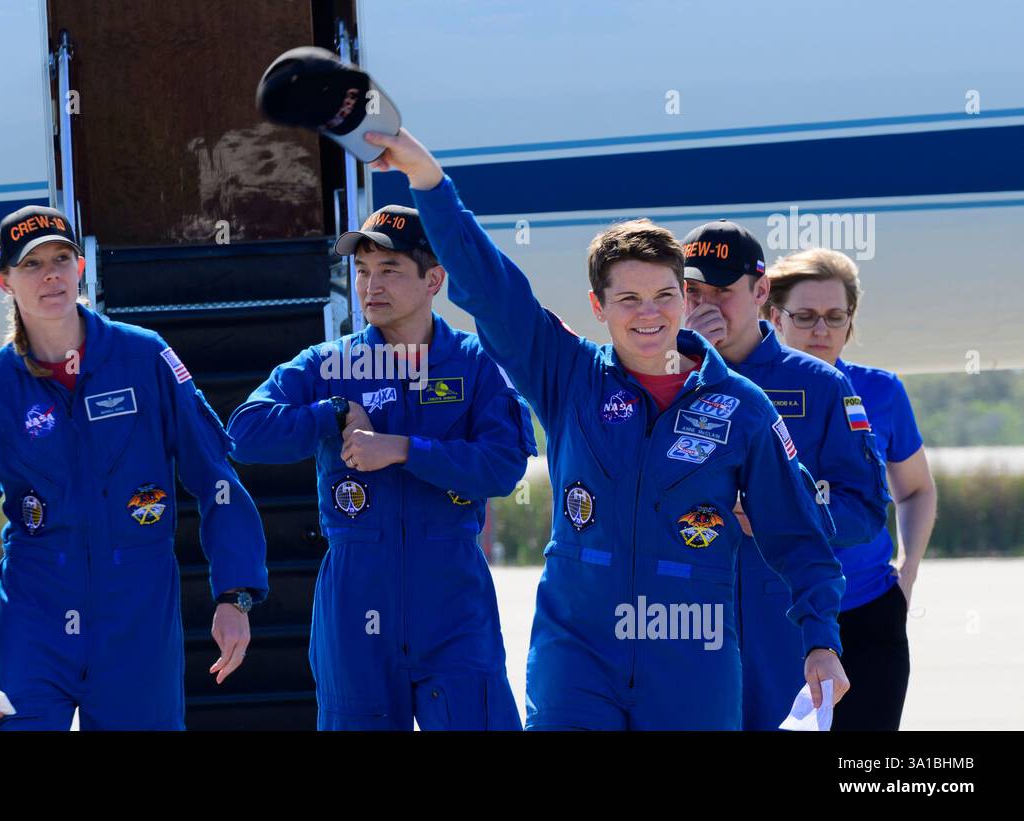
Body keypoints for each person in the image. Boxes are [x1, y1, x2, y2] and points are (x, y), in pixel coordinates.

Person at [360, 129, 849, 730]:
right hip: (578, 653)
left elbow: (800, 534)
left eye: (665, 295)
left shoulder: (741, 407)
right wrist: (430, 182)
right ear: (598, 306)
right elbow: (490, 289)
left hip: (691, 657)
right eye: (630, 299)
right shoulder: (568, 377)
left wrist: (821, 639)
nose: (650, 315)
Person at [0, 205, 268, 730]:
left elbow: (215, 477)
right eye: (32, 265)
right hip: (32, 622)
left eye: (62, 259)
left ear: (80, 268)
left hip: (136, 623)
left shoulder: (145, 360)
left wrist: (235, 593)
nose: (51, 275)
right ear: (5, 282)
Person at [227, 205, 536, 730]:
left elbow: (502, 467)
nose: (371, 285)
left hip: (452, 596)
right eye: (363, 271)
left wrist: (403, 450)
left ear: (434, 278)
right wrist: (334, 413)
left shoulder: (476, 363)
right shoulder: (329, 364)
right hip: (356, 594)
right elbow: (244, 432)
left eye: (390, 269)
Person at [681, 220, 892, 729]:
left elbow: (864, 510)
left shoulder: (818, 385)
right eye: (692, 291)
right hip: (681, 618)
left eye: (722, 291)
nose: (705, 306)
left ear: (759, 292)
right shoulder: (662, 379)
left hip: (783, 621)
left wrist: (783, 514)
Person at [764, 248, 935, 731]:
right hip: (780, 620)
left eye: (835, 317)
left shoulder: (881, 392)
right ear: (774, 316)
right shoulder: (745, 393)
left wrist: (909, 575)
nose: (821, 330)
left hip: (867, 613)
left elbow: (917, 491)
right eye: (805, 316)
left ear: (850, 321)